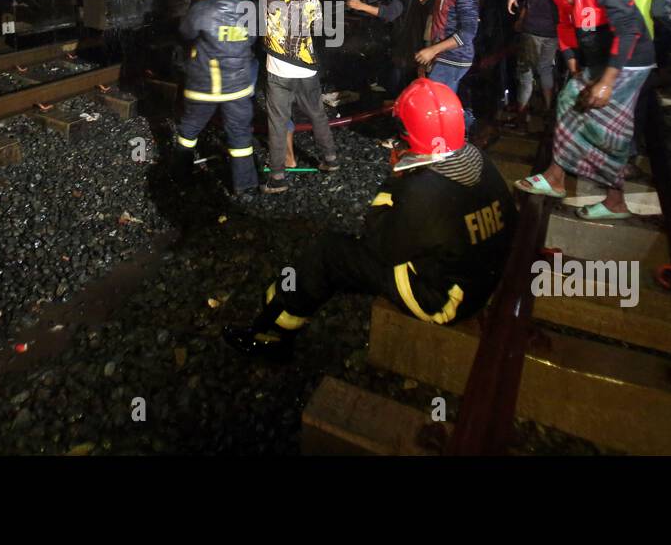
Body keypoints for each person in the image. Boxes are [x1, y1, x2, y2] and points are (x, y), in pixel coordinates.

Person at [221, 79, 516, 361]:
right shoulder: (480, 162)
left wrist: (395, 180)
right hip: (478, 280)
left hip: (442, 300)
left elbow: (377, 244)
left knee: (329, 253)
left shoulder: (421, 191)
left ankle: (273, 330)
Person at [513, 0, 655, 219]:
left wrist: (606, 82)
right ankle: (556, 177)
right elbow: (564, 24)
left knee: (605, 122)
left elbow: (628, 31)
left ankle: (615, 201)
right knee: (568, 101)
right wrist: (574, 63)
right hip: (599, 56)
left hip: (629, 59)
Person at [215, 0, 339, 192]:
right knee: (317, 114)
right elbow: (318, 26)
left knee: (278, 121)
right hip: (307, 68)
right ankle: (330, 159)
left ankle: (278, 177)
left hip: (279, 71)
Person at [174, 0, 259, 193]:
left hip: (204, 86)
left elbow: (185, 33)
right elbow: (251, 40)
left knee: (189, 131)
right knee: (240, 135)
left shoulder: (203, 9)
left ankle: (181, 176)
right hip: (239, 86)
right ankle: (246, 185)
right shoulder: (251, 11)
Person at [406, 0, 479, 131]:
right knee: (439, 102)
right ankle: (451, 139)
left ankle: (446, 142)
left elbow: (469, 31)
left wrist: (433, 50)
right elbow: (429, 2)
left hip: (454, 58)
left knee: (435, 104)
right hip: (445, 56)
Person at [347, 0, 427, 97]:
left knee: (400, 87)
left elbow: (390, 13)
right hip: (413, 43)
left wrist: (361, 6)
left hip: (406, 46)